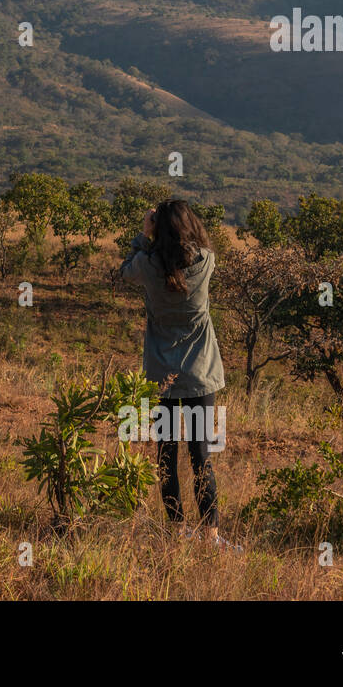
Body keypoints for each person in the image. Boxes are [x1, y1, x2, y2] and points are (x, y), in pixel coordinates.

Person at [119, 199, 239, 550]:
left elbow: (127, 270)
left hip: (161, 375)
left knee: (166, 456)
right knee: (202, 456)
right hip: (201, 374)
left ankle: (175, 533)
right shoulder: (206, 261)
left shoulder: (146, 264)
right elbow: (197, 248)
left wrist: (145, 235)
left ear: (159, 230)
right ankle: (211, 536)